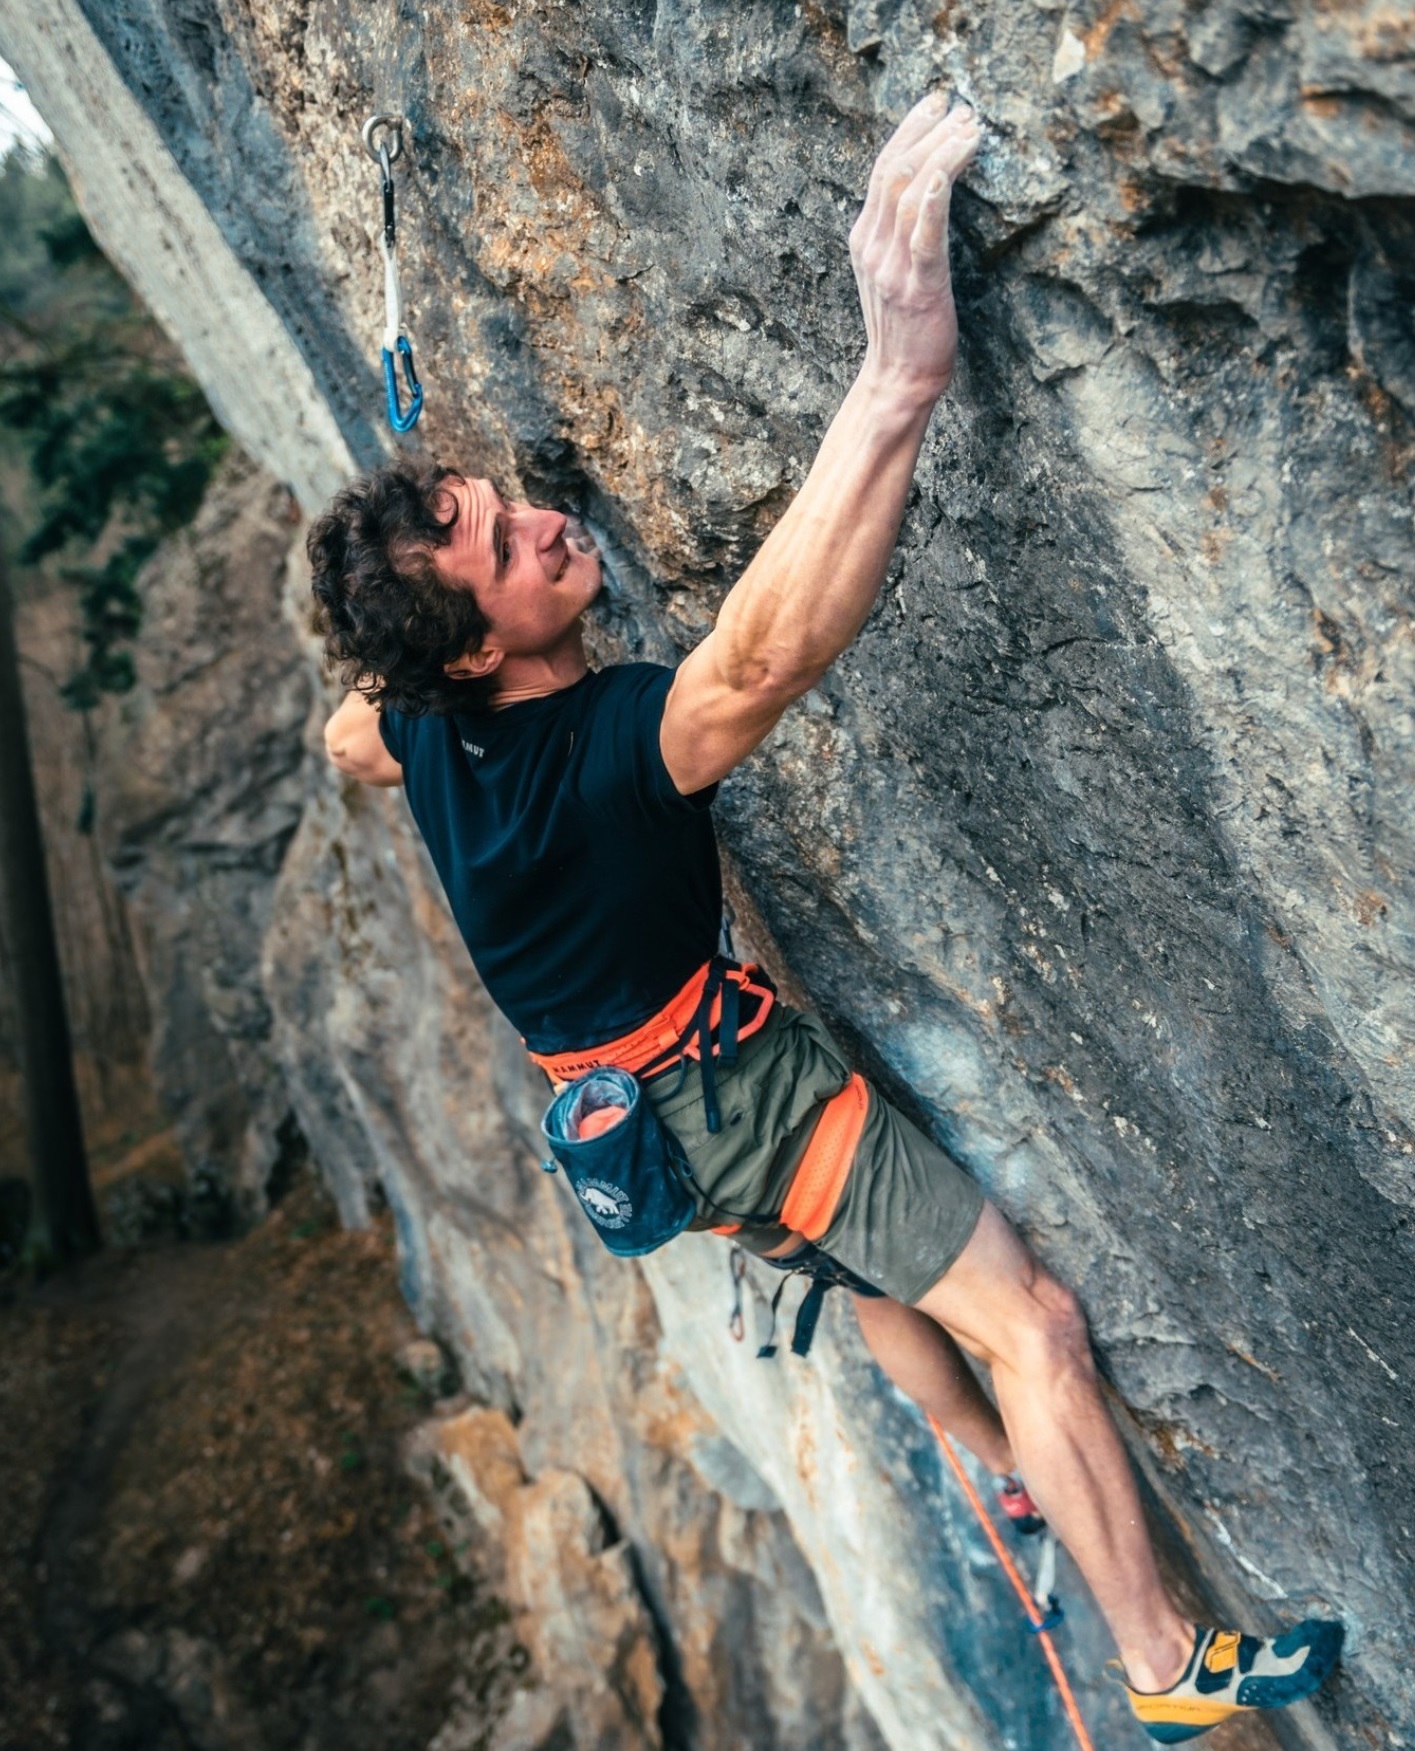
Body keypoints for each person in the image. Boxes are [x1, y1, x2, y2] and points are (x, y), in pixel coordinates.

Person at [311, 93, 1340, 1742]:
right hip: (734, 1102)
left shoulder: (419, 725)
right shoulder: (598, 754)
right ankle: (1167, 1670)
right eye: (513, 548)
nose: (545, 517)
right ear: (482, 654)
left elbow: (349, 732)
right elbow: (759, 660)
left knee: (878, 1283)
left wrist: (390, 669)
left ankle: (983, 1465)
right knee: (1030, 1320)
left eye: (505, 502)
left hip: (632, 1113)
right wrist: (898, 376)